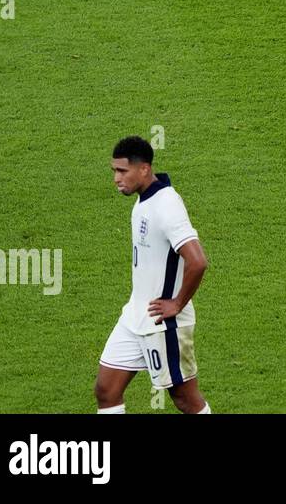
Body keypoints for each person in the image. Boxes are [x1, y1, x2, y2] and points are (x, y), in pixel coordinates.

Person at [95, 136, 211, 413]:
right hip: (135, 316)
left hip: (163, 321)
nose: (116, 178)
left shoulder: (166, 205)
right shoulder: (143, 200)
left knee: (185, 398)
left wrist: (177, 303)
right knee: (106, 390)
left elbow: (198, 261)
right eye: (114, 170)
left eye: (122, 171)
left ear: (144, 169)